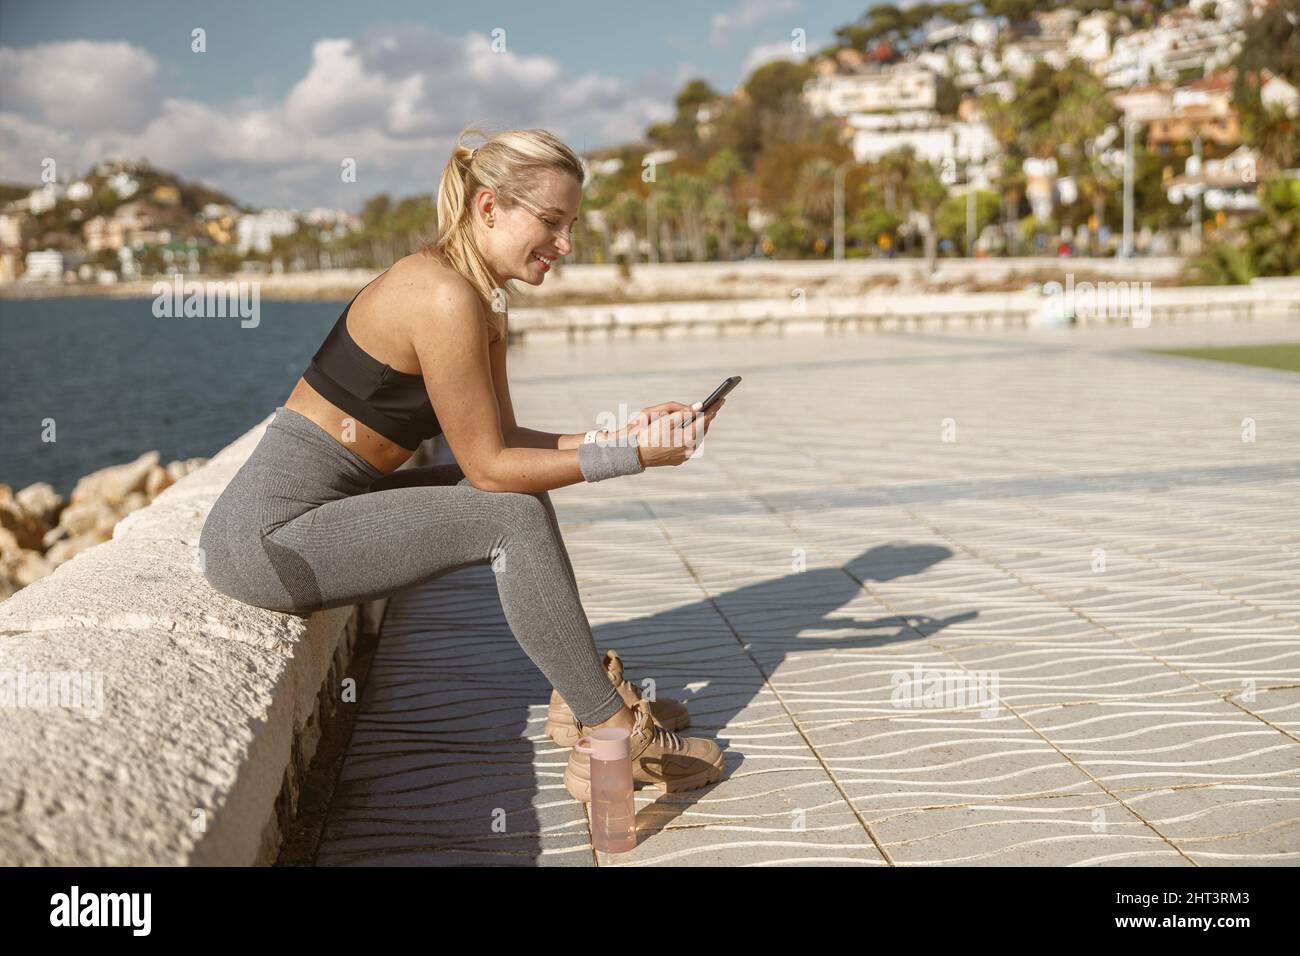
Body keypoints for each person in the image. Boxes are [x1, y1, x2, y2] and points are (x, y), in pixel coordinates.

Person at [198, 126, 727, 802]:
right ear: (489, 209)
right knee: (507, 510)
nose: (564, 245)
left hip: (316, 517)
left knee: (521, 501)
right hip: (269, 542)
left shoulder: (481, 300)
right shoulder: (440, 294)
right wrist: (631, 458)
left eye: (570, 226)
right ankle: (612, 733)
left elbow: (504, 439)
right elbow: (489, 470)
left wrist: (623, 433)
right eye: (551, 223)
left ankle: (583, 698)